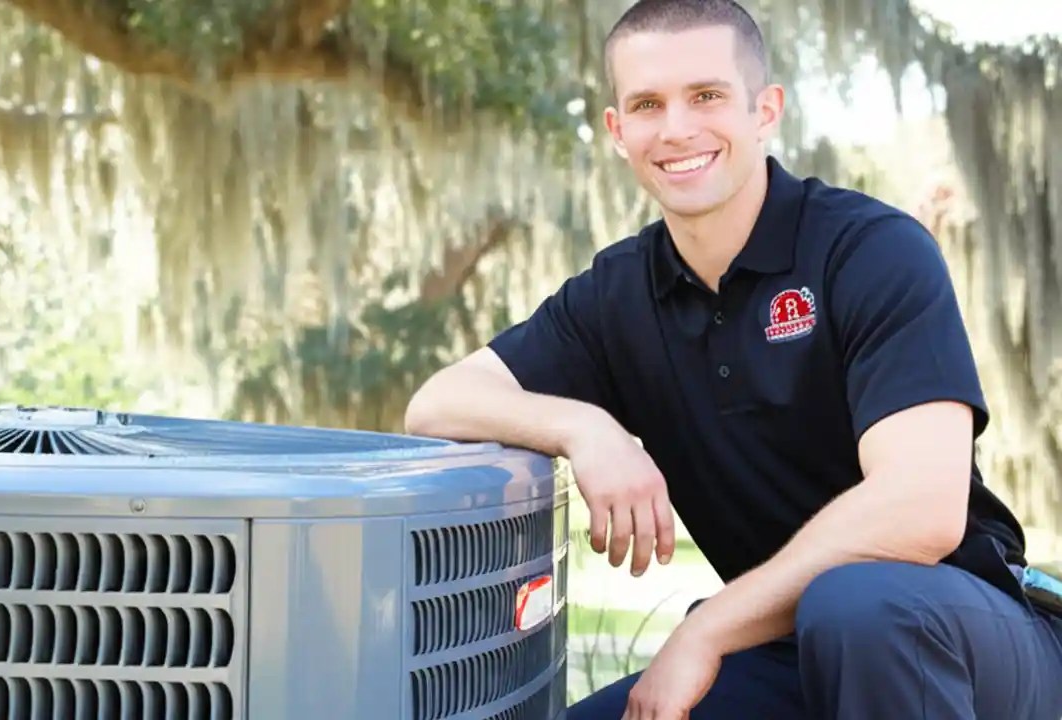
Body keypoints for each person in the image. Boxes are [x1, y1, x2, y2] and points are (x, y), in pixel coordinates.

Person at [403, 0, 1062, 718]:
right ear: (618, 132)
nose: (677, 128)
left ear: (765, 109)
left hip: (957, 635)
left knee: (859, 605)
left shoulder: (869, 250)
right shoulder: (619, 294)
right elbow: (438, 402)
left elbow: (921, 512)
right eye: (648, 105)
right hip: (788, 645)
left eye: (707, 96)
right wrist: (586, 431)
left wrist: (707, 629)